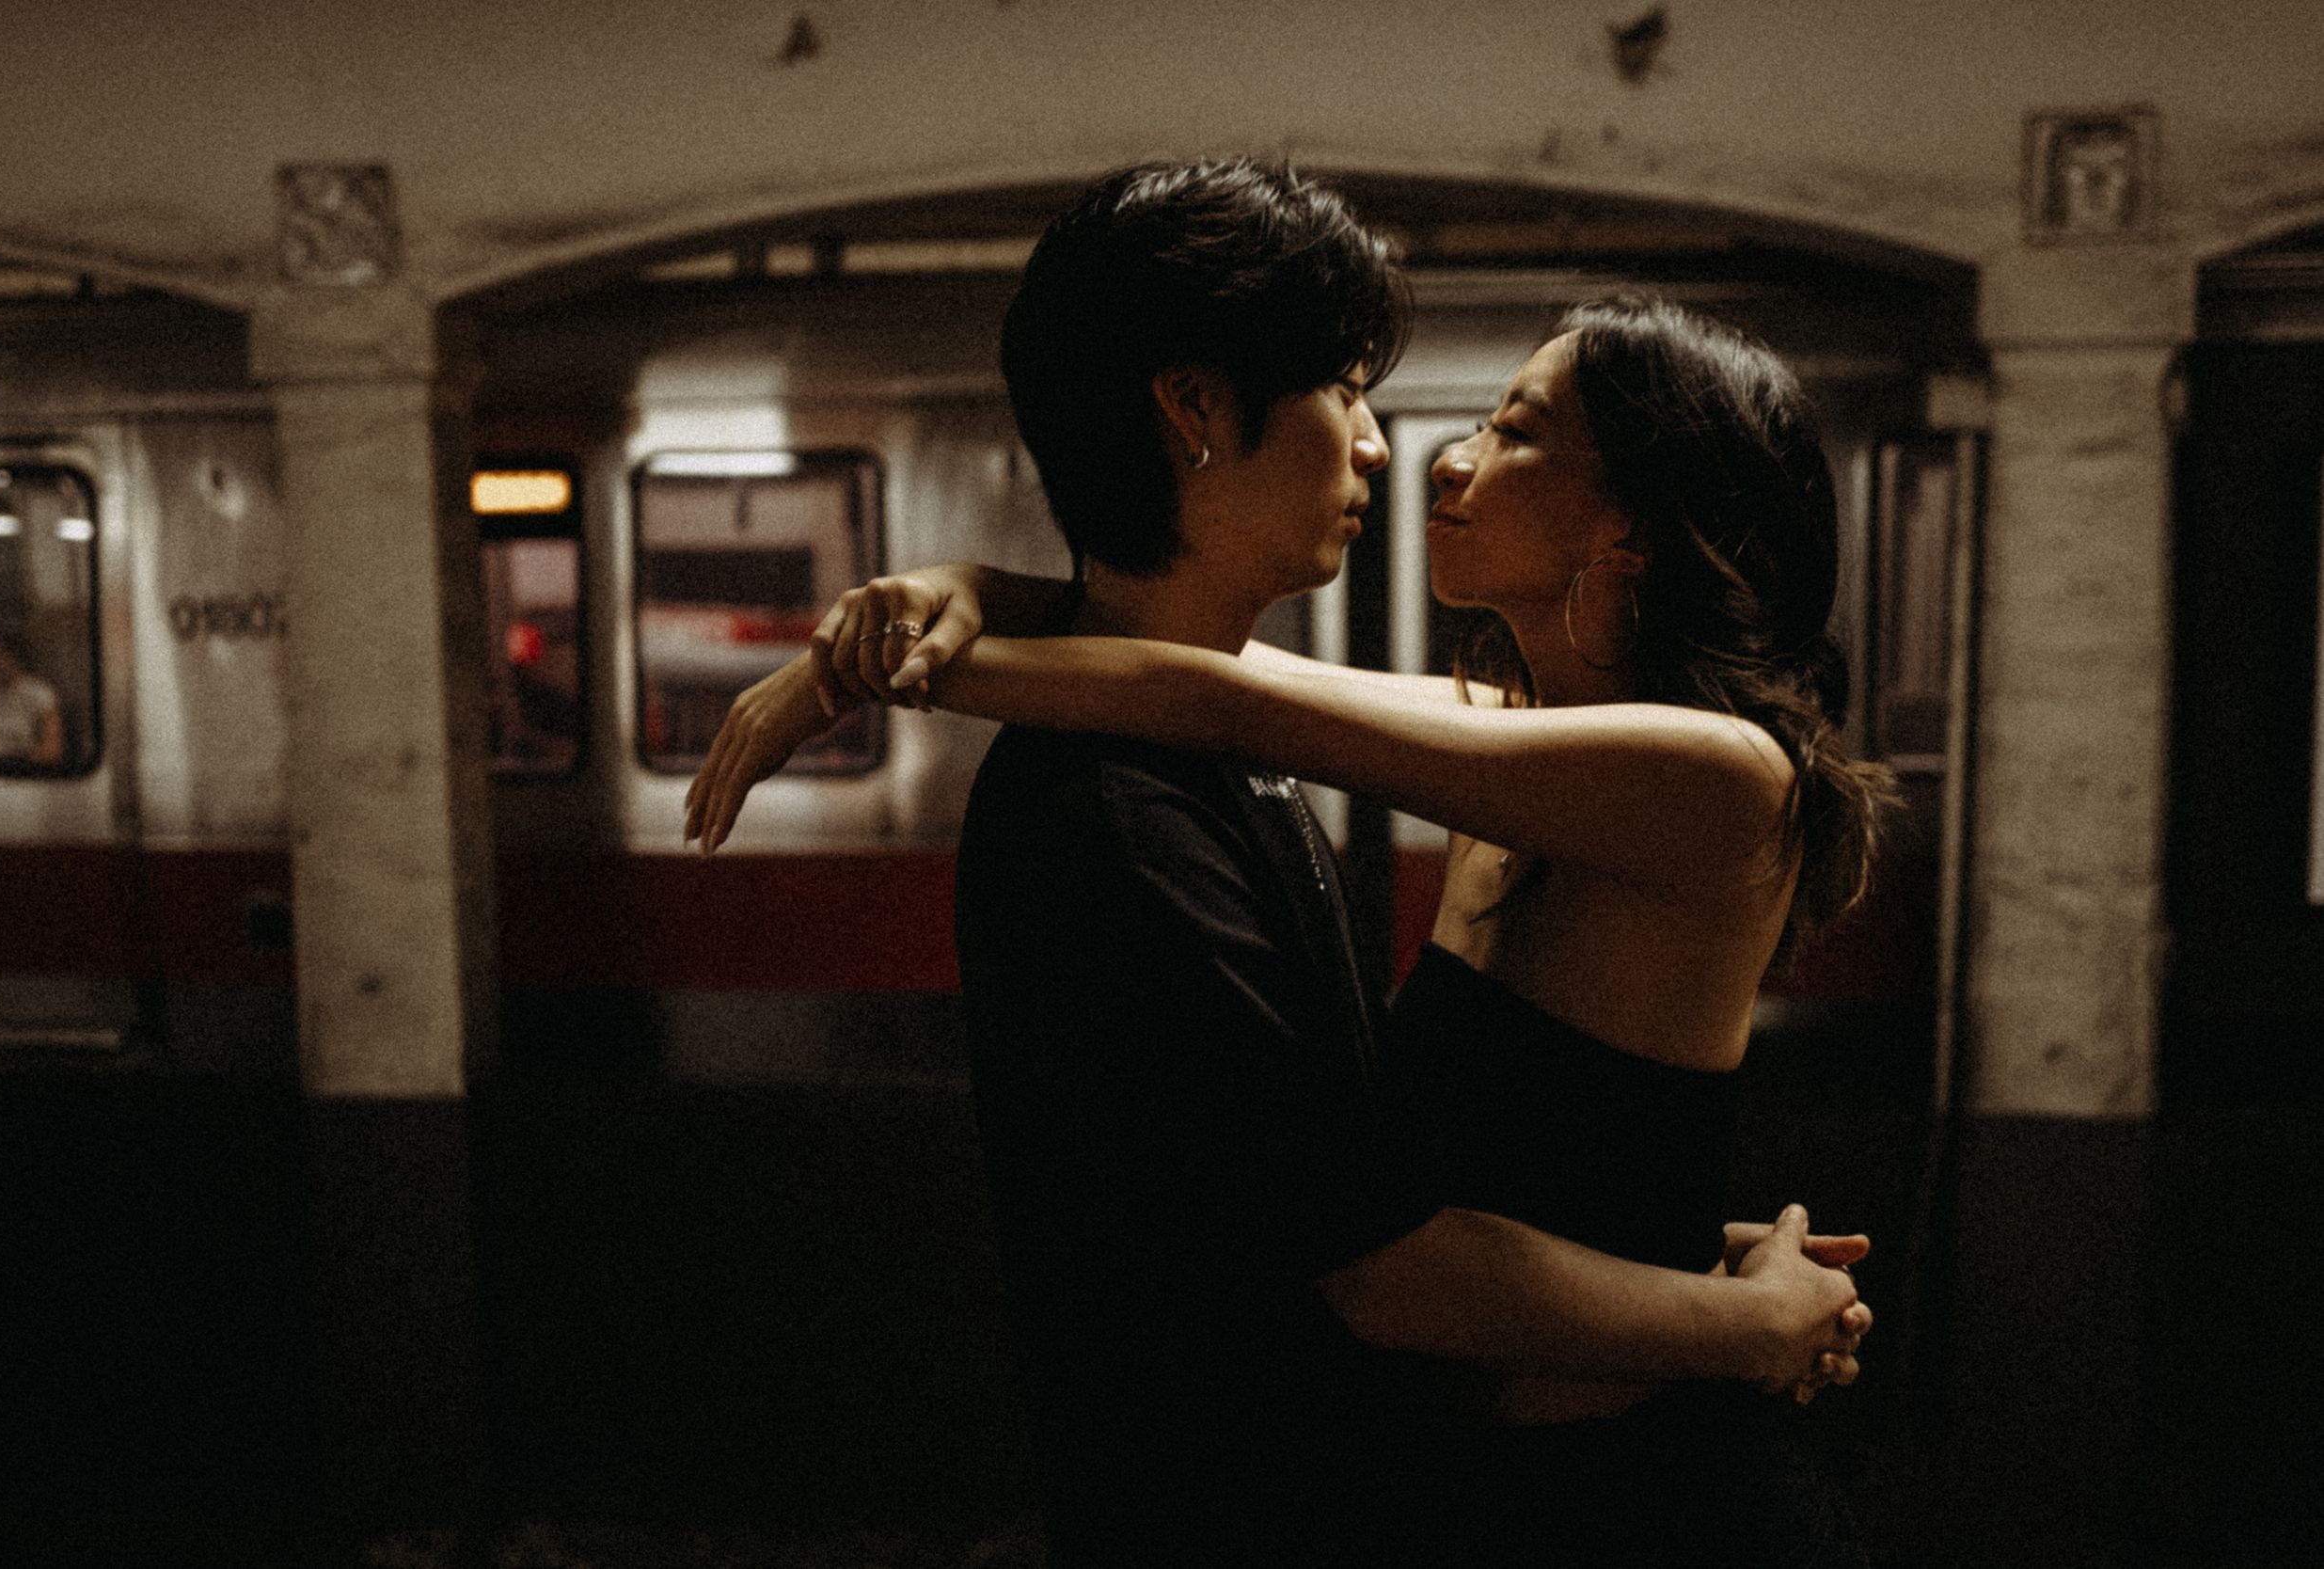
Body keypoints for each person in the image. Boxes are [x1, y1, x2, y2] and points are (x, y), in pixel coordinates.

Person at [687, 162, 1873, 1567]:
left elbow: (1227, 692)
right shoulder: (1497, 755)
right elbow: (1218, 684)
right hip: (1511, 1493)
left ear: (1630, 527)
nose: (1421, 451)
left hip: (1652, 1503)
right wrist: (956, 600)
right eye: (1358, 393)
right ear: (1195, 411)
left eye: (1516, 429)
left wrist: (875, 666)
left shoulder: (1709, 775)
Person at [0, 627, 66, 769]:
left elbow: (52, 749)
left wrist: (16, 761)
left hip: (19, 770)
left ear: (9, 657)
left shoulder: (41, 694)